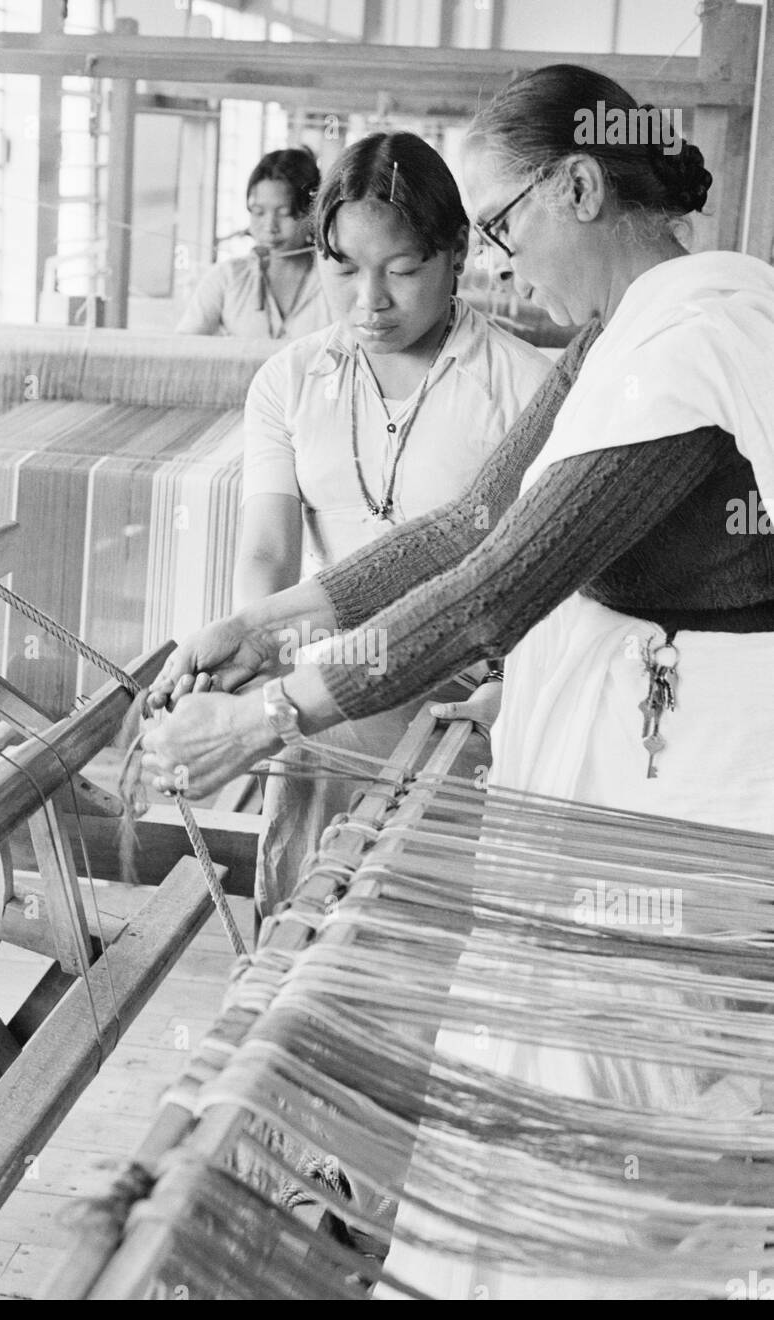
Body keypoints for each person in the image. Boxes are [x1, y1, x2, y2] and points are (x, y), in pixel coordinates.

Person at [143, 64, 774, 1293]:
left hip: (688, 826)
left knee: (614, 1163)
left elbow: (497, 587)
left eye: (497, 226)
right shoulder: (619, 335)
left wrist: (270, 718)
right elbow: (473, 522)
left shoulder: (691, 336)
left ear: (579, 184)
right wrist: (270, 622)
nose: (499, 264)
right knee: (550, 1118)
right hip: (626, 811)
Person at [232, 131, 550, 921]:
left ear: (457, 253)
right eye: (343, 267)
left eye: (402, 270)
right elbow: (269, 551)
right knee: (306, 928)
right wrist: (246, 656)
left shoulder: (524, 389)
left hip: (466, 697)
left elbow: (547, 572)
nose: (369, 300)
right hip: (323, 692)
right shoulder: (290, 380)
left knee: (423, 933)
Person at [176, 148, 331, 340]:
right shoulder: (227, 279)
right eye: (258, 212)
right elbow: (183, 347)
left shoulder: (332, 281)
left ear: (312, 213)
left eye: (284, 213)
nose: (269, 227)